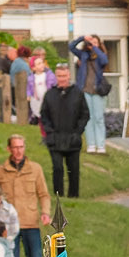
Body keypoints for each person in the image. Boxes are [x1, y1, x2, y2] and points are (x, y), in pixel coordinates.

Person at [0, 134, 53, 257]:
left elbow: (43, 194)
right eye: (15, 147)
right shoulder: (1, 171)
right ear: (9, 149)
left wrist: (45, 213)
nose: (19, 151)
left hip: (31, 223)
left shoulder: (35, 169)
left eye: (21, 147)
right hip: (9, 225)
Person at [40, 61, 89, 199]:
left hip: (72, 137)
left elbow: (84, 115)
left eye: (64, 75)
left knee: (73, 169)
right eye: (59, 76)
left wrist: (78, 132)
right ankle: (58, 196)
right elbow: (44, 115)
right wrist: (49, 132)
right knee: (57, 168)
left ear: (69, 76)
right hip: (55, 138)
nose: (62, 78)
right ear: (56, 76)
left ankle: (74, 196)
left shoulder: (77, 94)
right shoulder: (50, 95)